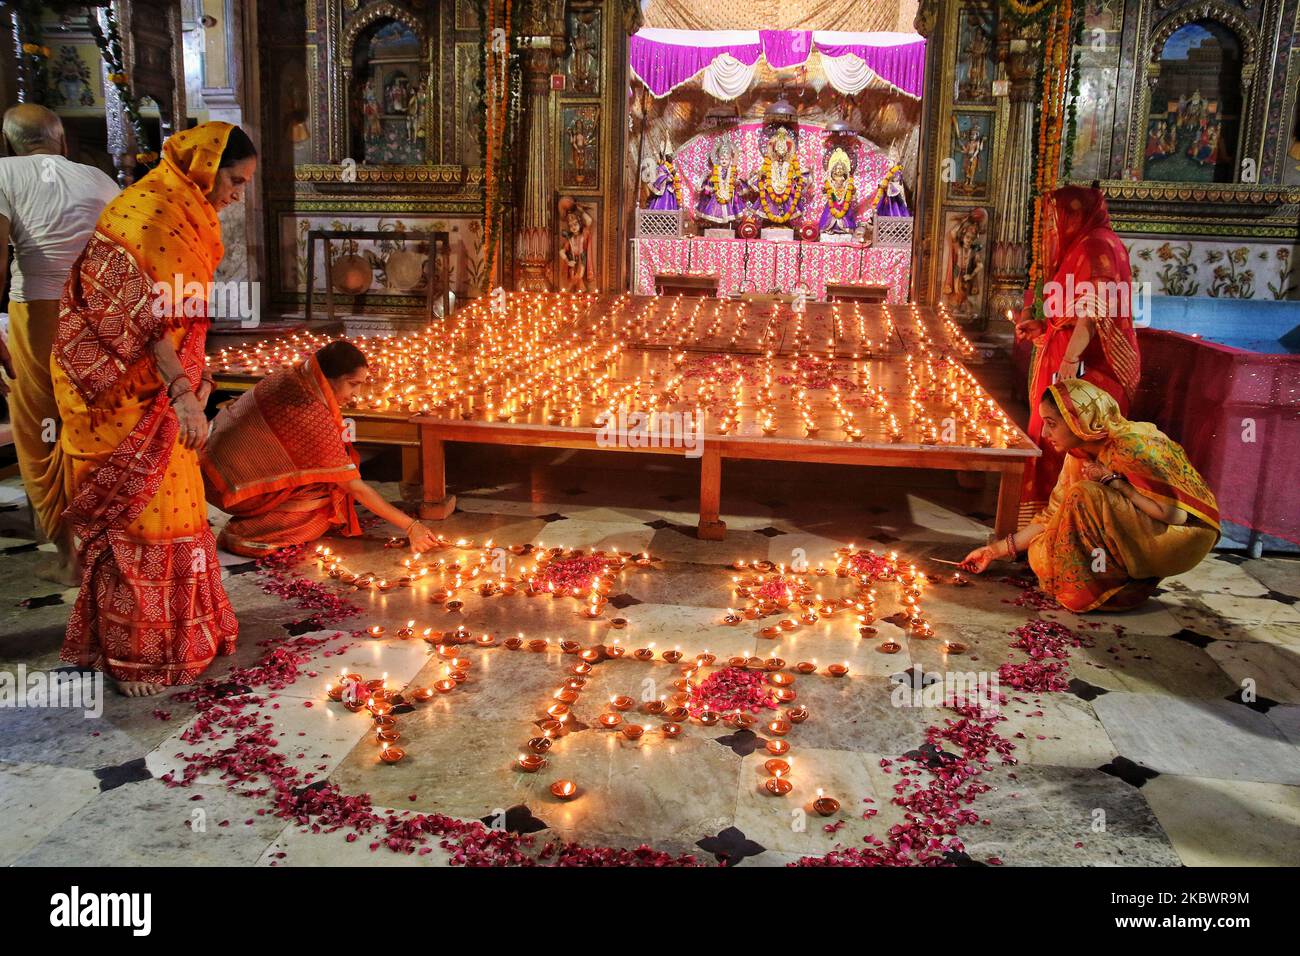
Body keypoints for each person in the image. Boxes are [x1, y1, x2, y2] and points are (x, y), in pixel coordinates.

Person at [51, 122, 256, 696]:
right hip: (119, 390)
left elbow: (184, 313)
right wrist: (182, 392)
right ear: (204, 170)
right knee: (138, 513)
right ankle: (134, 652)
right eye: (235, 182)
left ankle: (183, 633)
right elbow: (147, 323)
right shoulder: (149, 214)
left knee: (176, 503)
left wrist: (196, 374)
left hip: (164, 384)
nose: (238, 195)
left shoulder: (188, 212)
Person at [961, 379, 1219, 613]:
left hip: (1182, 536)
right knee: (1041, 552)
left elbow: (1177, 514)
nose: (1045, 434)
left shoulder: (1132, 445)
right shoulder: (1079, 454)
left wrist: (1118, 484)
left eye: (1051, 424)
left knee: (1084, 495)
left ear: (1080, 421)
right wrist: (994, 551)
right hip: (1146, 525)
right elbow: (1053, 514)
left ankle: (1114, 585)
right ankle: (1122, 582)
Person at [0, 104, 119, 584]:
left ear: (11, 144)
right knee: (87, 428)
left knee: (41, 427)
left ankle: (71, 555)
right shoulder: (99, 180)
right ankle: (106, 546)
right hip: (99, 316)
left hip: (41, 311)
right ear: (62, 140)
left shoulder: (5, 173)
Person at [201, 340, 437, 556]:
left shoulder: (296, 378)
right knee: (327, 502)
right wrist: (411, 526)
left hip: (213, 466)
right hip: (227, 487)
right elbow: (354, 487)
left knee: (330, 477)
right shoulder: (309, 411)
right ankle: (249, 535)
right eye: (352, 384)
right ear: (329, 377)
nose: (355, 395)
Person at [1015, 185, 1140, 524]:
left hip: (1090, 368)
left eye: (1060, 217)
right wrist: (1043, 327)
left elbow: (1093, 313)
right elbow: (1070, 313)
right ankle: (1043, 528)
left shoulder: (1098, 245)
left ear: (1077, 214)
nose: (1055, 227)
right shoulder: (1082, 246)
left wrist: (1070, 360)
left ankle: (1068, 531)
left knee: (1067, 441)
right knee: (1050, 435)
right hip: (1069, 356)